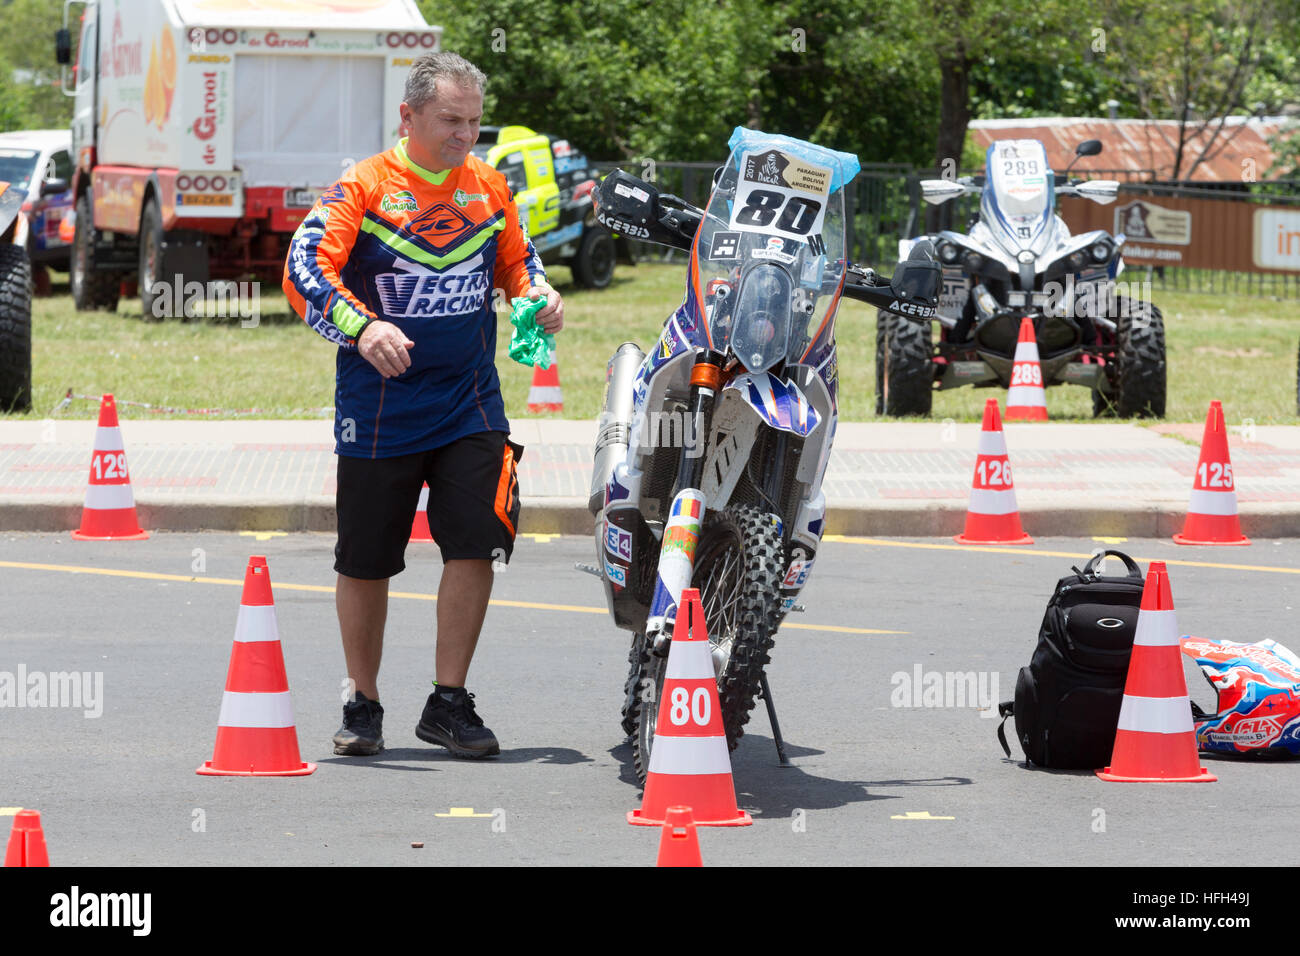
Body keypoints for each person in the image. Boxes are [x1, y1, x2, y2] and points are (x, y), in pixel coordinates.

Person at [281, 51, 563, 759]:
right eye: (449, 120)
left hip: (470, 402)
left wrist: (539, 297)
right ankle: (363, 701)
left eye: (473, 121)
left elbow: (517, 264)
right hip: (380, 406)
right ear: (408, 116)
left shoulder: (490, 187)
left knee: (478, 540)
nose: (464, 135)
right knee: (367, 559)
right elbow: (302, 268)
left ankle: (449, 702)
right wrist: (363, 325)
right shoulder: (364, 186)